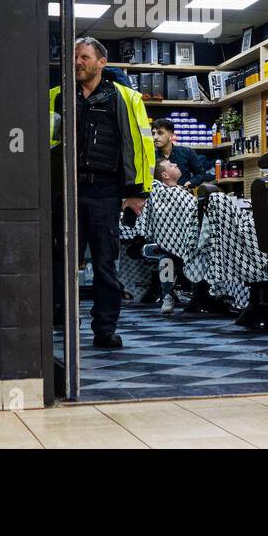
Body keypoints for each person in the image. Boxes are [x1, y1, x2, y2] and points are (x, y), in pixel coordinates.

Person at [49, 37, 154, 348]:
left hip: (105, 192)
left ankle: (105, 329)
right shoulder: (56, 97)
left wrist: (137, 192)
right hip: (65, 192)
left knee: (105, 264)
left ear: (101, 62)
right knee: (62, 262)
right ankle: (62, 321)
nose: (78, 63)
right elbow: (47, 145)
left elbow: (139, 146)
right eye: (74, 58)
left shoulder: (125, 97)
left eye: (84, 57)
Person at [151, 118, 210, 189]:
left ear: (171, 134)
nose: (155, 137)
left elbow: (201, 174)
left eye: (160, 133)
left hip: (184, 195)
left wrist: (191, 182)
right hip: (160, 196)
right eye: (153, 133)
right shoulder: (150, 157)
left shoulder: (187, 152)